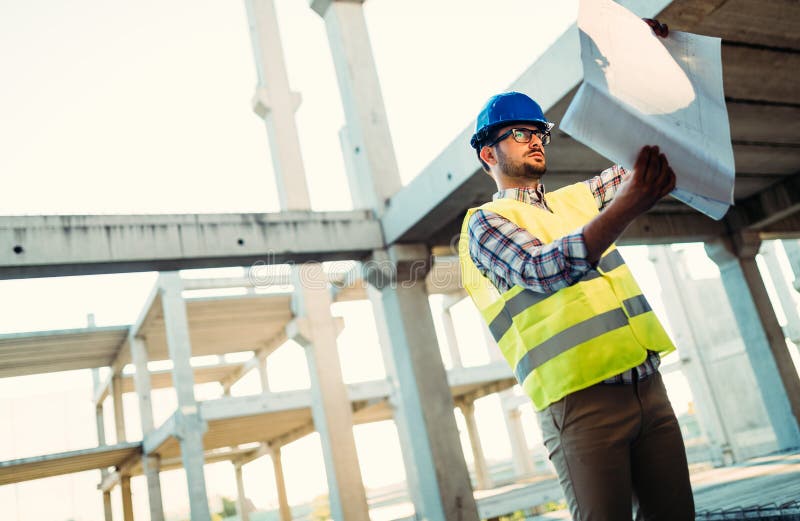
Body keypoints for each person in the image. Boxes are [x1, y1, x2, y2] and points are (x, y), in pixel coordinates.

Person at [457, 21, 693, 520]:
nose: (535, 140)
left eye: (539, 132)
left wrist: (644, 64)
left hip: (649, 387)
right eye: (519, 133)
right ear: (488, 153)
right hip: (581, 408)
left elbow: (652, 154)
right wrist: (626, 206)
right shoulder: (485, 222)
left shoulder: (578, 199)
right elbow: (542, 269)